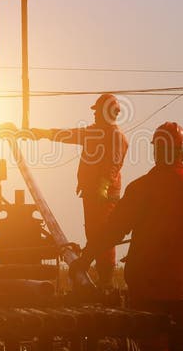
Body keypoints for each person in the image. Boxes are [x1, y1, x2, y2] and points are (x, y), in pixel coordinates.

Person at [69, 122, 183, 351]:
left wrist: (84, 259)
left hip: (148, 282)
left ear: (156, 151)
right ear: (182, 152)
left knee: (153, 339)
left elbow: (113, 230)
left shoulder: (141, 189)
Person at [16, 93, 128, 288]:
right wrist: (38, 133)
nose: (94, 115)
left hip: (105, 197)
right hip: (92, 194)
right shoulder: (94, 133)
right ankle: (101, 278)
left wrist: (103, 187)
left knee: (103, 237)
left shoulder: (116, 136)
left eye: (97, 111)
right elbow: (67, 135)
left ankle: (106, 281)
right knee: (93, 234)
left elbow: (113, 163)